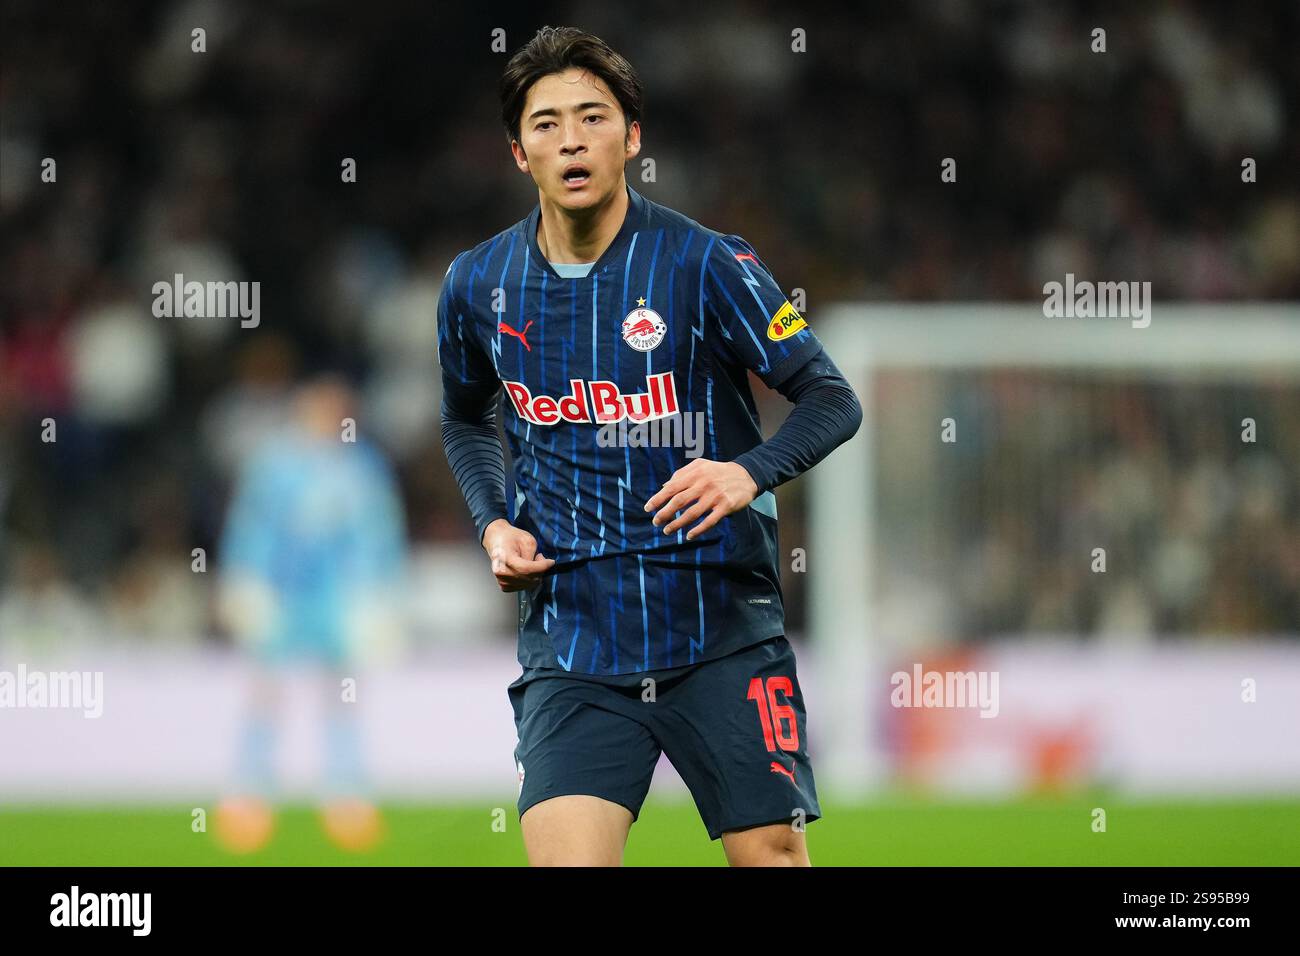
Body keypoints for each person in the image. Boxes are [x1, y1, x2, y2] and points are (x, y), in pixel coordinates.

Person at [437, 26, 861, 866]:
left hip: (721, 631)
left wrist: (748, 472)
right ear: (519, 152)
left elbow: (831, 398)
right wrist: (492, 522)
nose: (571, 141)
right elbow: (463, 418)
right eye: (547, 123)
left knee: (770, 855)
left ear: (632, 137)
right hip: (575, 641)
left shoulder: (706, 265)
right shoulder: (477, 285)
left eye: (592, 118)